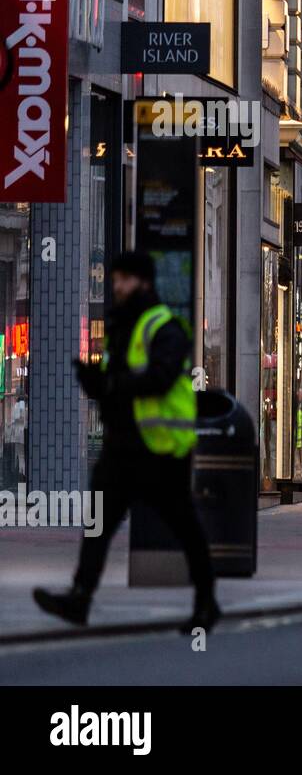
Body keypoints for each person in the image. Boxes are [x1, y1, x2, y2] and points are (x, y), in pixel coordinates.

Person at [33, 251, 218, 633]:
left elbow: (161, 378)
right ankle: (80, 596)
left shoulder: (164, 326)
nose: (117, 285)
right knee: (98, 524)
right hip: (121, 446)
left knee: (183, 525)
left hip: (160, 448)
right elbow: (115, 385)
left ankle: (206, 600)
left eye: (125, 279)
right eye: (116, 279)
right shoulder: (120, 330)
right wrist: (94, 382)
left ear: (144, 283)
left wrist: (114, 385)